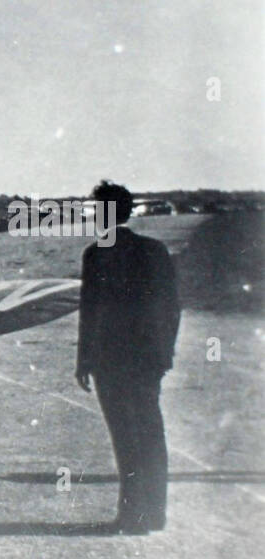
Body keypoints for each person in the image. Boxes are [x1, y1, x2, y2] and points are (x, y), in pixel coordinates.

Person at [75, 181, 180, 533]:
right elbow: (171, 307)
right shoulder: (153, 250)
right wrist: (164, 353)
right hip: (146, 360)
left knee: (124, 435)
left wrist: (84, 359)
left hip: (110, 360)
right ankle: (154, 513)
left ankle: (133, 513)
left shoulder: (95, 254)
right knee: (151, 432)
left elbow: (89, 312)